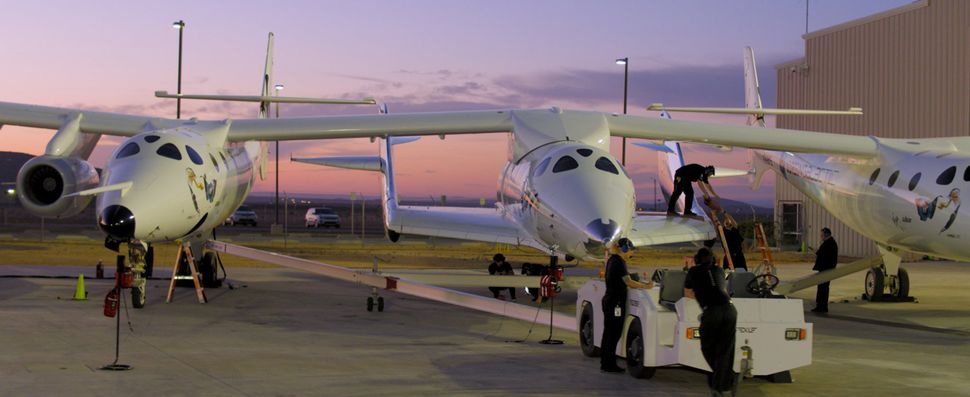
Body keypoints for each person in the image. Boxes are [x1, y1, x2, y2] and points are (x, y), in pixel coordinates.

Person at [684, 247, 737, 396]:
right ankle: (725, 381)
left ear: (696, 260)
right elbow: (721, 287)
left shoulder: (693, 271)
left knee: (707, 347)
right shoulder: (719, 270)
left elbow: (687, 293)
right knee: (726, 349)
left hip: (712, 311)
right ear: (713, 259)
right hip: (730, 309)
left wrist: (701, 293)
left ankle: (721, 380)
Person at [600, 238, 654, 373]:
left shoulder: (613, 260)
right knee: (613, 334)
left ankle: (605, 362)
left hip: (610, 300)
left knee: (608, 334)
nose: (631, 253)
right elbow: (629, 282)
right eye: (630, 251)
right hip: (615, 303)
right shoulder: (619, 262)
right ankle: (609, 365)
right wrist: (646, 286)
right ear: (624, 249)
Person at [812, 227, 838, 313]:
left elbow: (823, 254)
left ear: (825, 235)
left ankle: (822, 307)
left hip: (826, 269)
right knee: (822, 288)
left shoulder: (829, 244)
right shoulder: (830, 243)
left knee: (823, 288)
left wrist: (816, 252)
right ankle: (821, 306)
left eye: (822, 235)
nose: (821, 237)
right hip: (826, 269)